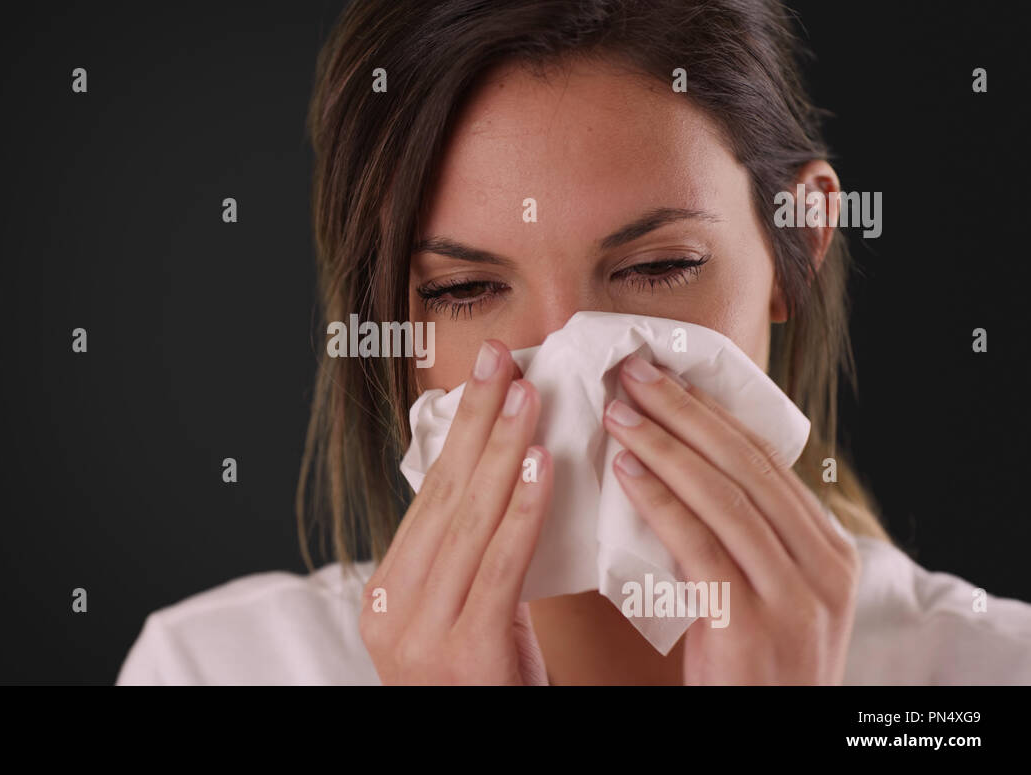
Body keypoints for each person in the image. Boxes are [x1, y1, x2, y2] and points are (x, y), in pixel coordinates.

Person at [117, 0, 1031, 685]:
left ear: (798, 250)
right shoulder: (216, 669)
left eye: (658, 268)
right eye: (465, 289)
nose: (570, 357)